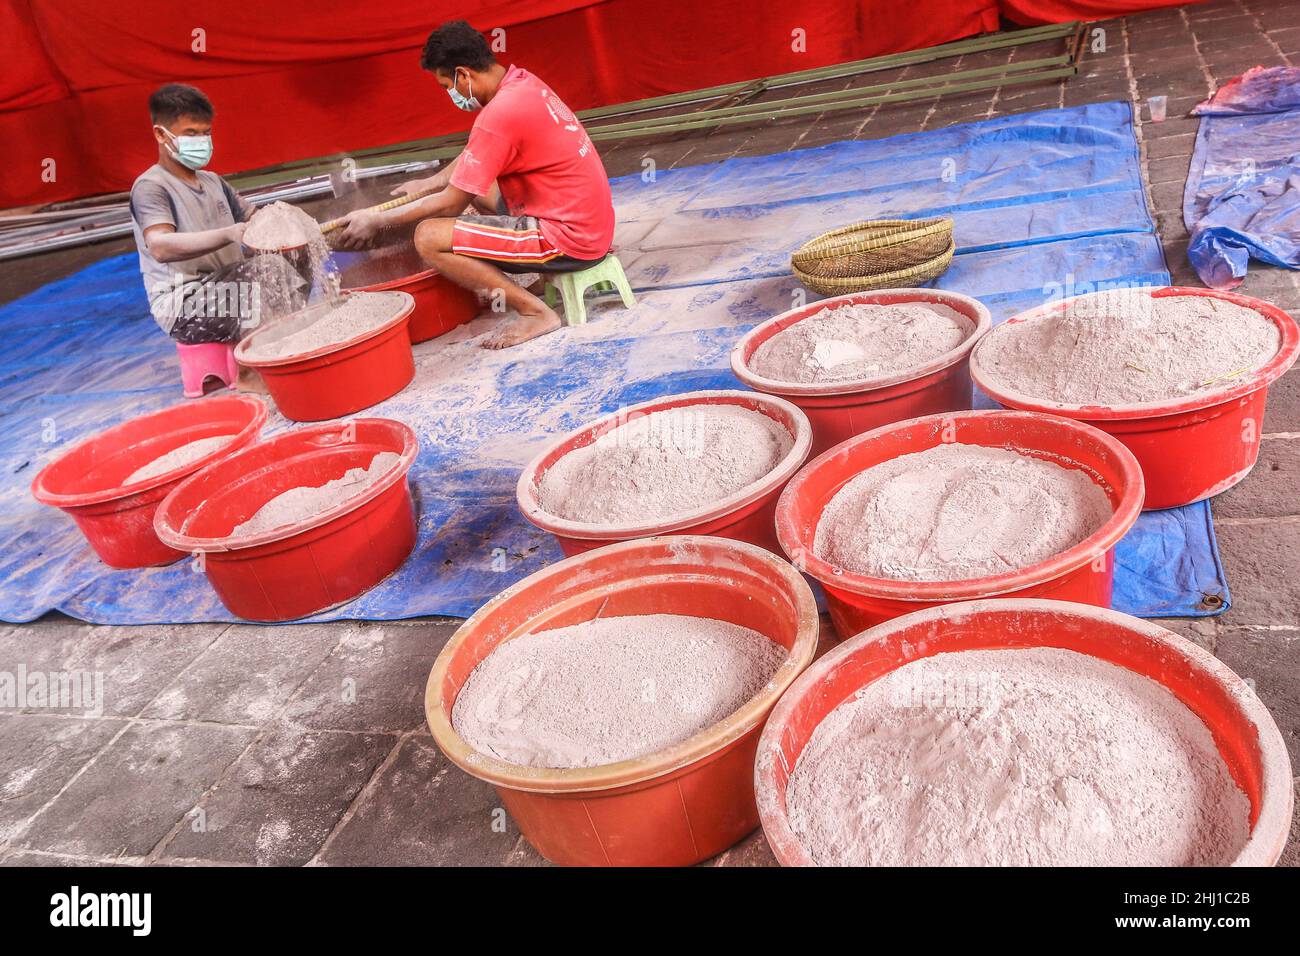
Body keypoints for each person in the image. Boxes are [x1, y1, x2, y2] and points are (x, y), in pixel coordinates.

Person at [334, 20, 616, 349]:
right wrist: (432, 180)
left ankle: (534, 312)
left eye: (446, 86)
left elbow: (450, 204)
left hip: (569, 239)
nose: (450, 95)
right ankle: (546, 276)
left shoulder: (498, 115)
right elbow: (479, 152)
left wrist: (376, 219)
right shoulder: (522, 83)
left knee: (428, 236)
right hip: (594, 226)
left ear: (463, 75)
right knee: (479, 188)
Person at [129, 83, 305, 348]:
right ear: (161, 135)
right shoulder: (151, 186)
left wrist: (289, 221)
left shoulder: (212, 182)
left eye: (205, 133)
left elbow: (255, 219)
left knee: (295, 257)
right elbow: (160, 246)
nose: (201, 141)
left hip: (228, 280)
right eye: (190, 134)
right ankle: (252, 370)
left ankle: (289, 341)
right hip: (185, 303)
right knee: (268, 274)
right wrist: (228, 233)